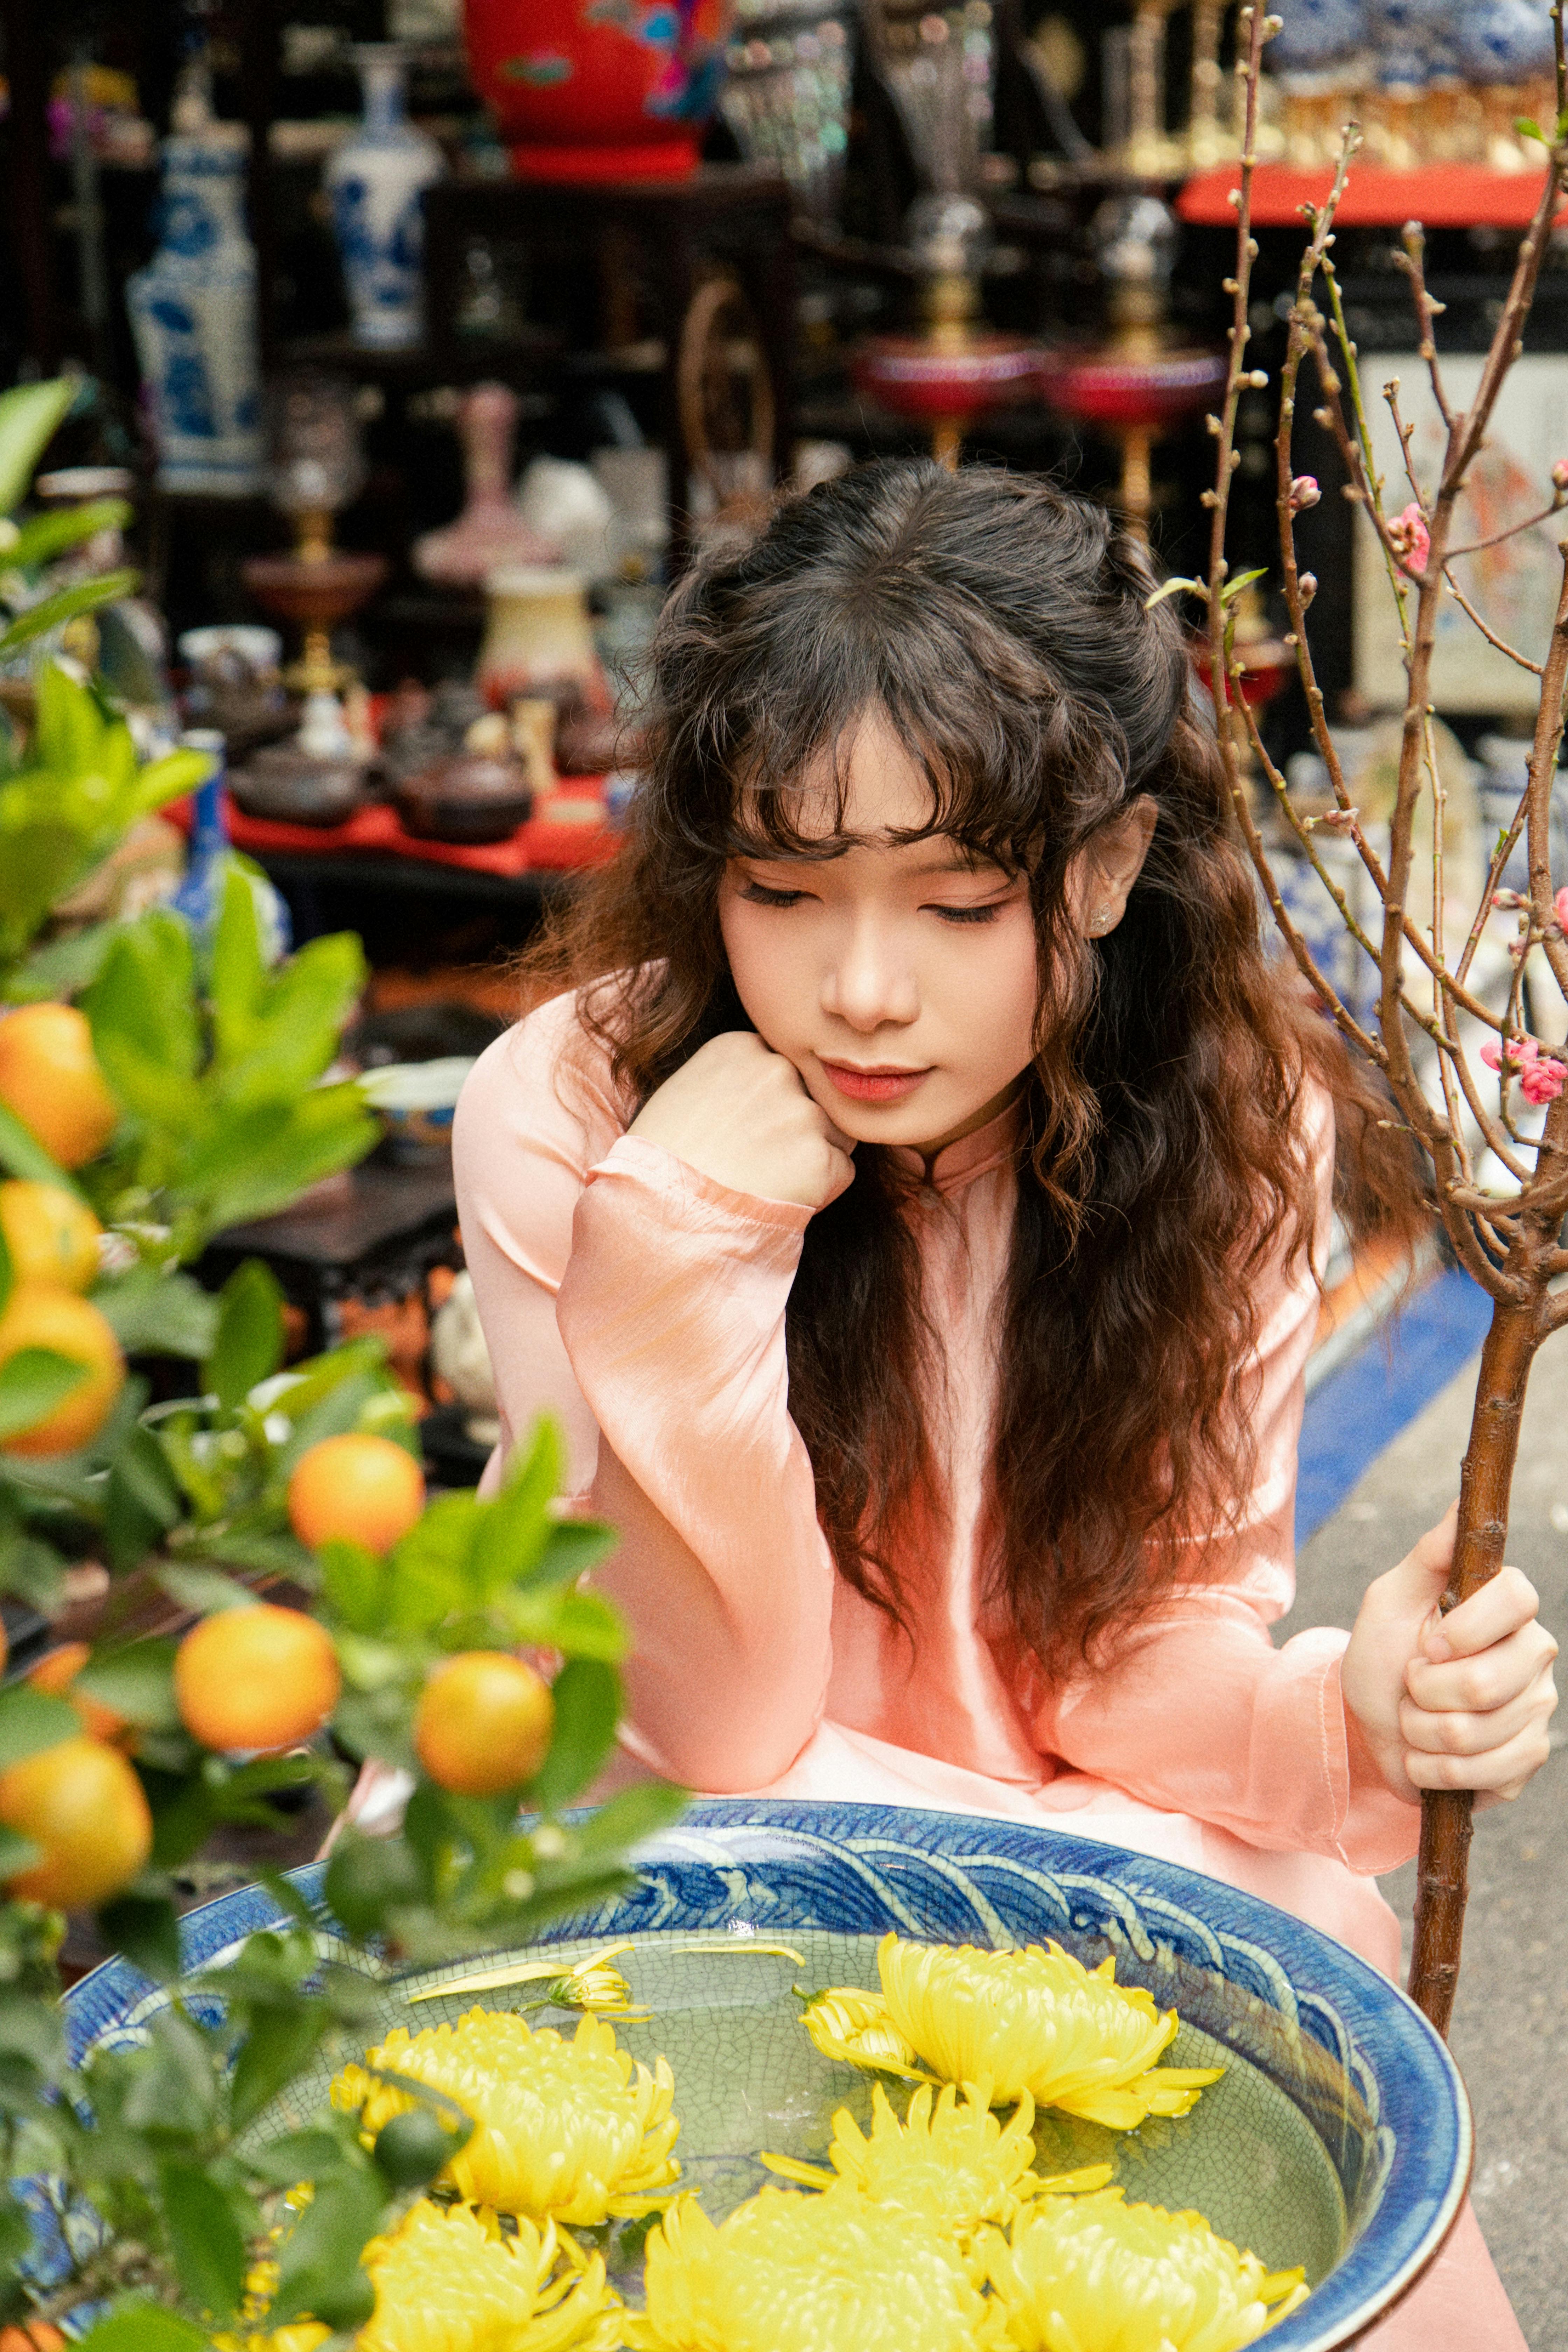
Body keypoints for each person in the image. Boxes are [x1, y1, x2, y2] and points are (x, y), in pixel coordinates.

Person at [451, 461, 1557, 2347]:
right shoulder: (569, 1113)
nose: (860, 992)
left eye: (960, 904)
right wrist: (680, 1248)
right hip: (642, 1833)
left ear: (1108, 870)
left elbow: (1126, 1663)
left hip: (1053, 1823)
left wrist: (1347, 1716)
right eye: (785, 892)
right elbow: (705, 1731)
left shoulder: (1236, 1131)